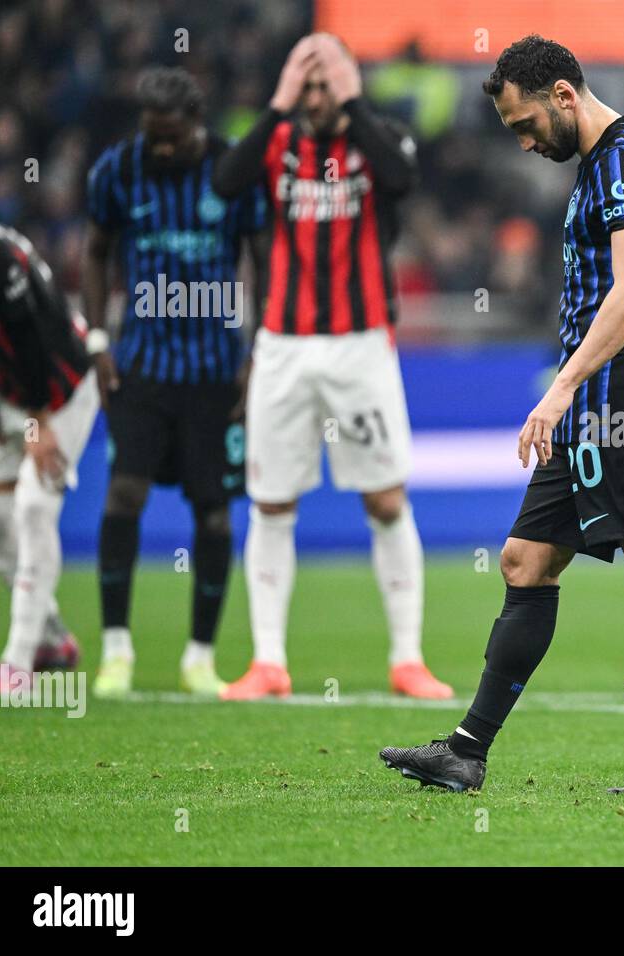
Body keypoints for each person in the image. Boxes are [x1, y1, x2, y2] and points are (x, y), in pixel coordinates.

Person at [380, 35, 624, 794]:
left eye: (525, 124)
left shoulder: (622, 163)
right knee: (526, 561)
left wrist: (557, 391)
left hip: (617, 400)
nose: (523, 143)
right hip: (601, 401)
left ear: (563, 94)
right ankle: (466, 751)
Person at [211, 34, 452, 701]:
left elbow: (401, 180)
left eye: (327, 85)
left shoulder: (381, 141)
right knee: (271, 500)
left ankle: (407, 658)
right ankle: (268, 662)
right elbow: (224, 182)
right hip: (282, 345)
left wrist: (353, 97)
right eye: (307, 86)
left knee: (384, 497)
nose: (316, 99)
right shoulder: (274, 143)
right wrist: (278, 101)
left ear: (346, 84)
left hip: (359, 343)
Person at [83, 66, 268, 698]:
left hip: (215, 373)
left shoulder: (231, 168)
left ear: (197, 121)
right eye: (152, 135)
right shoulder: (117, 169)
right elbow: (96, 250)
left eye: (173, 137)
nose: (161, 149)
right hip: (141, 368)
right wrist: (98, 338)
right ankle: (116, 652)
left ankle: (199, 656)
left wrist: (258, 351)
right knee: (123, 497)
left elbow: (262, 258)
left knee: (213, 516)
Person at [0, 219, 97, 692]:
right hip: (13, 389)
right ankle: (51, 640)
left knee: (32, 507)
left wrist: (37, 421)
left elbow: (26, 334)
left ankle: (18, 664)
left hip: (60, 390)